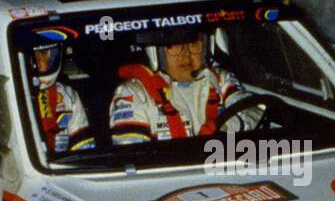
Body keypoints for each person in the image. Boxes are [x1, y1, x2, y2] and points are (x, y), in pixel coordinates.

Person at [109, 28, 257, 143]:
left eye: (193, 44)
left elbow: (254, 112)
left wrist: (224, 128)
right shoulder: (134, 94)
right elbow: (133, 159)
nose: (185, 54)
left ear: (206, 47)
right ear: (156, 52)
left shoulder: (220, 80)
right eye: (173, 45)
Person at [30, 38, 94, 155]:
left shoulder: (68, 95)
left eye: (43, 53)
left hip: (57, 166)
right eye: (32, 54)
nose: (37, 61)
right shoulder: (11, 93)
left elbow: (83, 149)